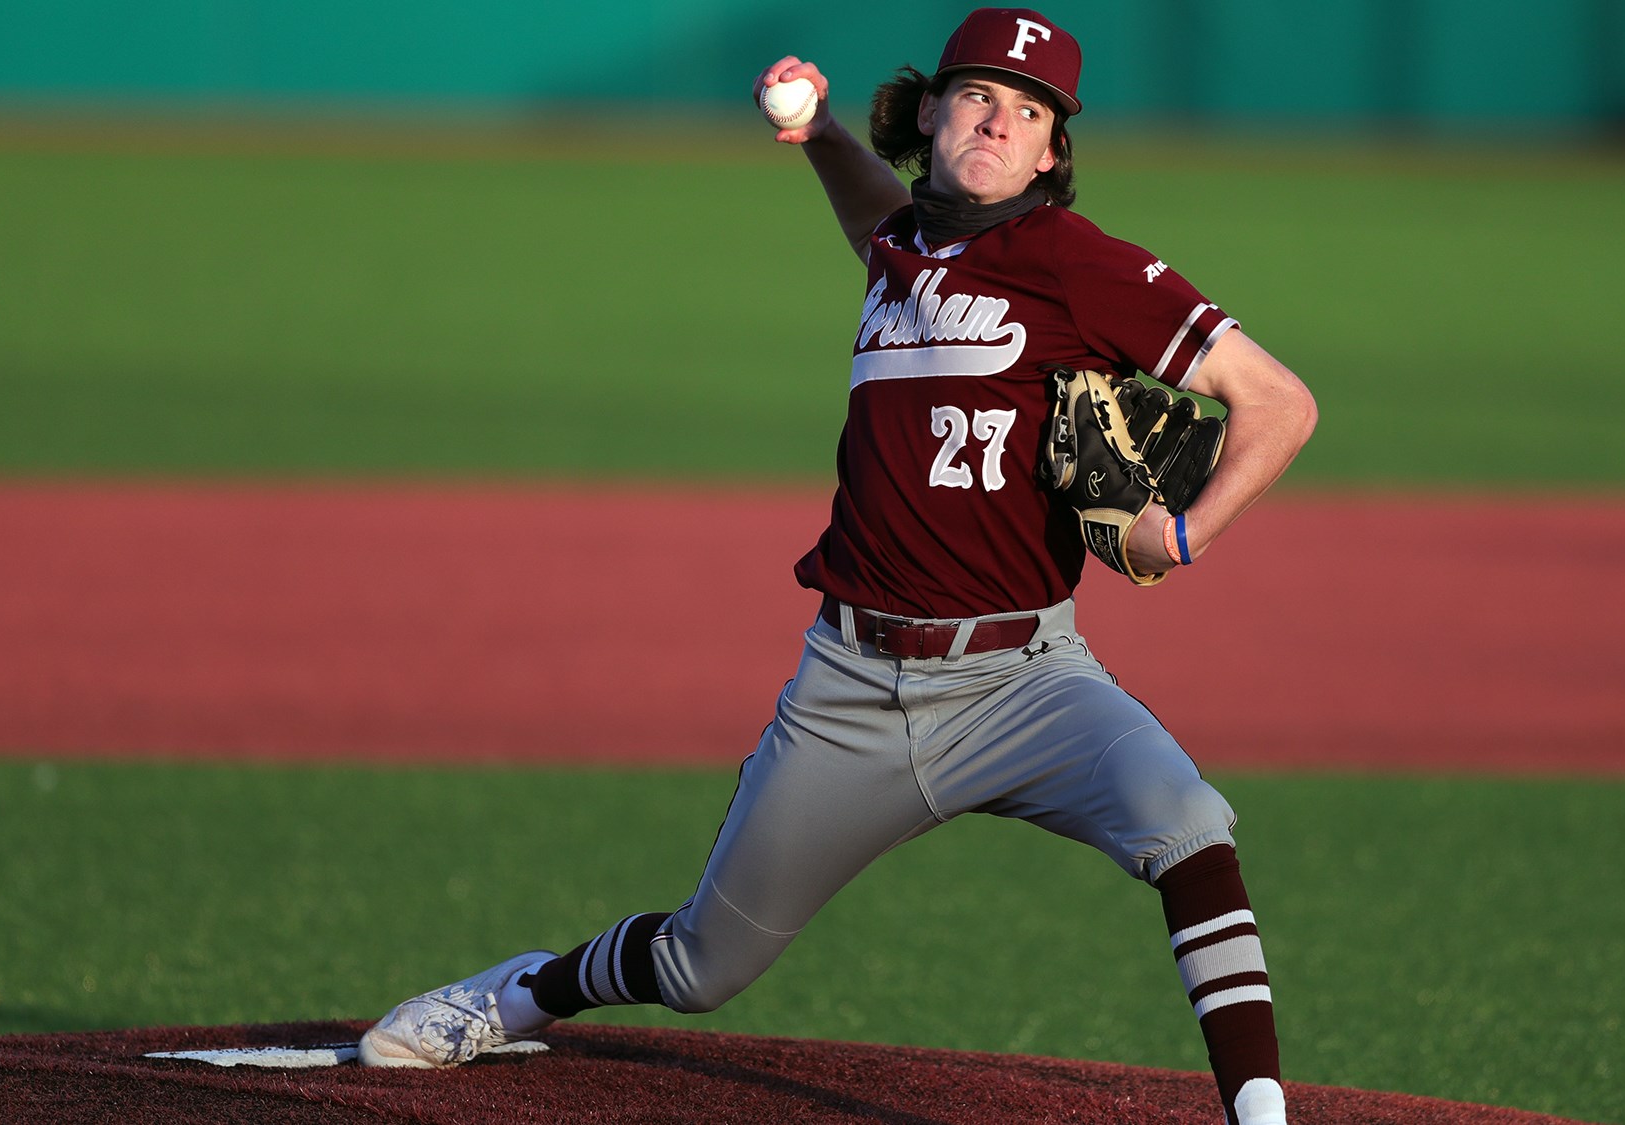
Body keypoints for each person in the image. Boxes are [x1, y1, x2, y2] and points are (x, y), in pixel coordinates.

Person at [358, 9, 1318, 1124]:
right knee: (699, 966)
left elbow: (1278, 401)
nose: (998, 121)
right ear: (931, 112)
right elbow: (879, 220)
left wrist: (1182, 534)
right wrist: (817, 134)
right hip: (849, 691)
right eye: (977, 95)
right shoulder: (903, 246)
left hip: (1027, 682)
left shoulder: (1074, 261)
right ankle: (521, 992)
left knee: (1187, 823)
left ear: (1051, 152)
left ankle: (1260, 1115)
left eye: (1028, 111)